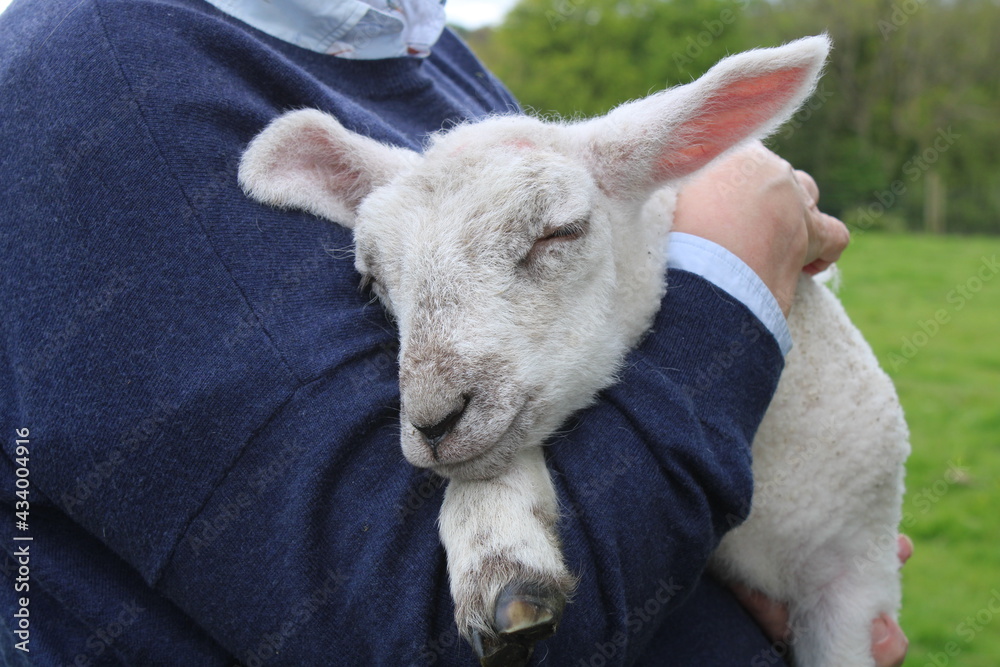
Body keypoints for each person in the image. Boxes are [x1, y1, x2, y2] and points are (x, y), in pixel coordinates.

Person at [0, 0, 907, 664]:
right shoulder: (103, 74)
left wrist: (738, 534)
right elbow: (420, 630)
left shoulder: (430, 56)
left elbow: (583, 366)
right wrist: (735, 273)